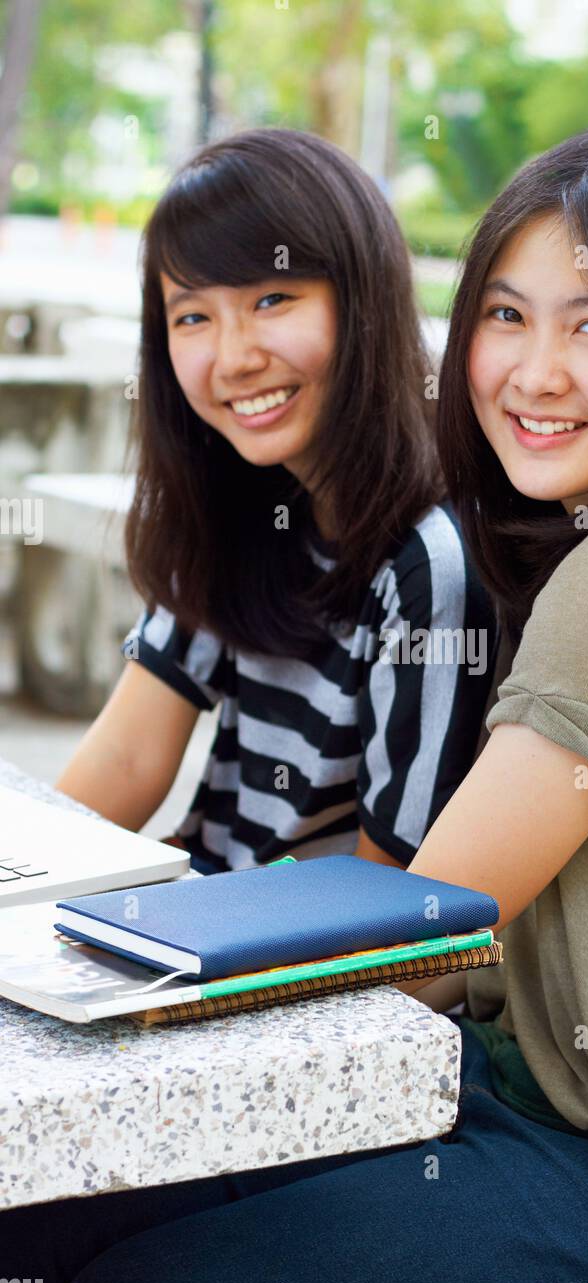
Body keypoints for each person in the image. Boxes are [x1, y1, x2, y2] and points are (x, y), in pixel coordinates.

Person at [8, 124, 588, 1283]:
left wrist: (109, 999)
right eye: (505, 317)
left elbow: (413, 934)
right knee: (44, 1219)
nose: (533, 371)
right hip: (528, 1092)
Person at [54, 127, 499, 875]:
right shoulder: (231, 501)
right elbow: (128, 760)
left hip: (311, 973)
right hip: (202, 930)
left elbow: (388, 900)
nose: (234, 358)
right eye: (193, 316)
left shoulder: (431, 564)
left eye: (272, 299)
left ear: (363, 301)